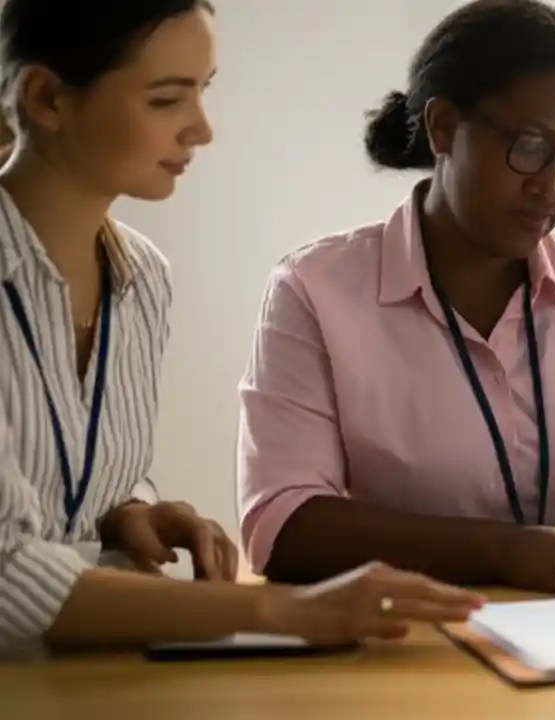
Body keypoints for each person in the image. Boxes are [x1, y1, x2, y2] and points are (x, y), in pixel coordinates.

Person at [0, 0, 481, 657]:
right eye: (167, 100)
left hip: (79, 676)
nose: (201, 129)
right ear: (48, 98)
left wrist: (128, 513)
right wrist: (284, 608)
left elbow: (77, 476)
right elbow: (8, 571)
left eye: (204, 92)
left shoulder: (141, 278)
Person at [237, 0, 555, 597]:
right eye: (529, 147)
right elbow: (284, 524)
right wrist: (500, 551)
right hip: (405, 646)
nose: (550, 186)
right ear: (443, 126)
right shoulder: (315, 290)